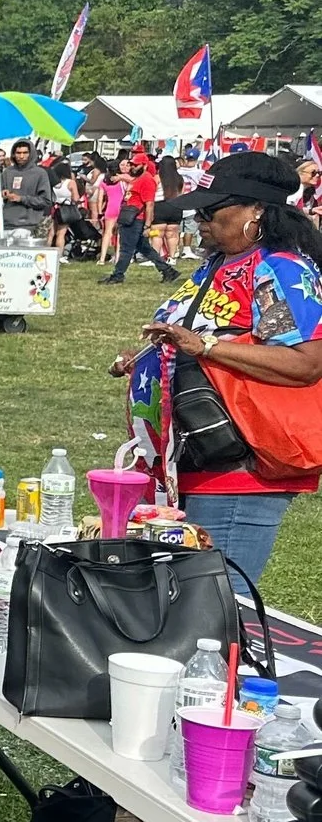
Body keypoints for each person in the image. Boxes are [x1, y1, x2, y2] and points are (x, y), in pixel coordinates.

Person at [121, 150, 322, 583]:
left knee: (211, 608)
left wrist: (206, 346)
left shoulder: (279, 268)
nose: (201, 221)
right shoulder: (217, 264)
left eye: (212, 212)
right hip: (189, 463)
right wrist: (145, 360)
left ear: (257, 212)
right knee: (178, 602)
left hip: (238, 473)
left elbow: (307, 362)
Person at [102, 148, 180, 284]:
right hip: (130, 217)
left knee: (126, 249)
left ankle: (118, 275)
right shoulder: (137, 179)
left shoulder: (147, 180)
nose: (132, 166)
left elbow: (149, 204)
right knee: (145, 249)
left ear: (144, 165)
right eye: (131, 164)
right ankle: (168, 271)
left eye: (135, 165)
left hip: (136, 219)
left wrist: (148, 225)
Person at [0, 139, 51, 235]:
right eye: (18, 153)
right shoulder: (7, 172)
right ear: (13, 154)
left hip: (31, 225)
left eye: (25, 153)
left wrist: (21, 199)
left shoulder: (40, 173)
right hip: (7, 223)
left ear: (31, 153)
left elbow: (46, 201)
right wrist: (3, 194)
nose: (21, 156)